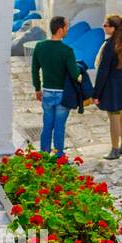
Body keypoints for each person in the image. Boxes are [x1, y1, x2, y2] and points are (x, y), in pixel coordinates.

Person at [92, 14, 122, 158]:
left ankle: (114, 150)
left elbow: (103, 71)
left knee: (114, 115)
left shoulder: (109, 45)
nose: (103, 27)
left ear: (113, 28)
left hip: (112, 85)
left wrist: (96, 93)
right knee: (120, 114)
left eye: (105, 25)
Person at [31, 16, 81, 158]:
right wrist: (80, 73)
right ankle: (59, 157)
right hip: (62, 94)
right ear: (60, 30)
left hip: (46, 92)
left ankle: (44, 155)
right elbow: (74, 73)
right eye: (66, 27)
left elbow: (35, 69)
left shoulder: (40, 47)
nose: (67, 29)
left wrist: (37, 88)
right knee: (59, 127)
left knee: (47, 125)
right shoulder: (67, 50)